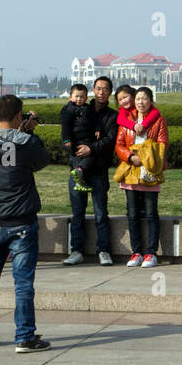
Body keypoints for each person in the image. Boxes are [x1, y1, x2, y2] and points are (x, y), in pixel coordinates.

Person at [0, 94, 51, 352]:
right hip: (22, 222)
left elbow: (3, 152)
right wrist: (27, 132)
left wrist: (18, 131)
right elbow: (41, 160)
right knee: (23, 282)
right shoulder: (27, 143)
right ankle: (25, 336)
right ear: (19, 116)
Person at [64, 75, 118, 266]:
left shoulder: (112, 115)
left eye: (105, 89)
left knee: (101, 212)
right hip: (77, 168)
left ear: (110, 92)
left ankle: (103, 250)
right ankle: (76, 250)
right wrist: (71, 148)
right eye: (98, 88)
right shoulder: (81, 109)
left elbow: (110, 139)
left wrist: (91, 148)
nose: (101, 92)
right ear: (93, 90)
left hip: (98, 170)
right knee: (77, 212)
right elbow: (67, 131)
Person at [114, 85, 168, 268]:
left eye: (144, 99)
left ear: (151, 101)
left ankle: (151, 253)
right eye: (138, 99)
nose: (141, 102)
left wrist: (145, 159)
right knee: (132, 213)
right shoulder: (127, 120)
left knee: (152, 213)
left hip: (149, 171)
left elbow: (162, 144)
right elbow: (119, 144)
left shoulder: (158, 120)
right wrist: (130, 157)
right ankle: (136, 252)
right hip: (130, 171)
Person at [60, 83, 97, 193]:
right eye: (76, 96)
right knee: (79, 156)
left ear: (86, 98)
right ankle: (79, 179)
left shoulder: (89, 109)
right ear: (70, 97)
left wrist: (98, 129)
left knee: (90, 153)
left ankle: (79, 179)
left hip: (87, 139)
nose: (79, 99)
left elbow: (94, 122)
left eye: (82, 96)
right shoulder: (66, 110)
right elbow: (65, 127)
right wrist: (67, 140)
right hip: (74, 140)